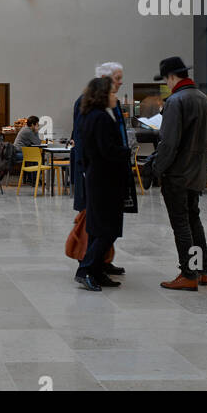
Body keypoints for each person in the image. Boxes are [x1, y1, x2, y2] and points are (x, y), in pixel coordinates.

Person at [147, 56, 207, 291]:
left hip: (177, 173)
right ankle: (201, 270)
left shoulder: (176, 101)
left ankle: (188, 273)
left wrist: (157, 169)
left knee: (181, 223)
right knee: (194, 220)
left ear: (172, 77)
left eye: (166, 79)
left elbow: (168, 143)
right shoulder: (203, 99)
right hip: (196, 171)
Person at [74, 76, 132, 292]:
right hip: (106, 180)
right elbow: (107, 150)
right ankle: (86, 269)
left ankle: (96, 270)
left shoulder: (89, 115)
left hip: (97, 178)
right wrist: (127, 151)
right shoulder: (101, 118)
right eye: (112, 93)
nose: (115, 97)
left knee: (99, 228)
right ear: (102, 95)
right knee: (108, 229)